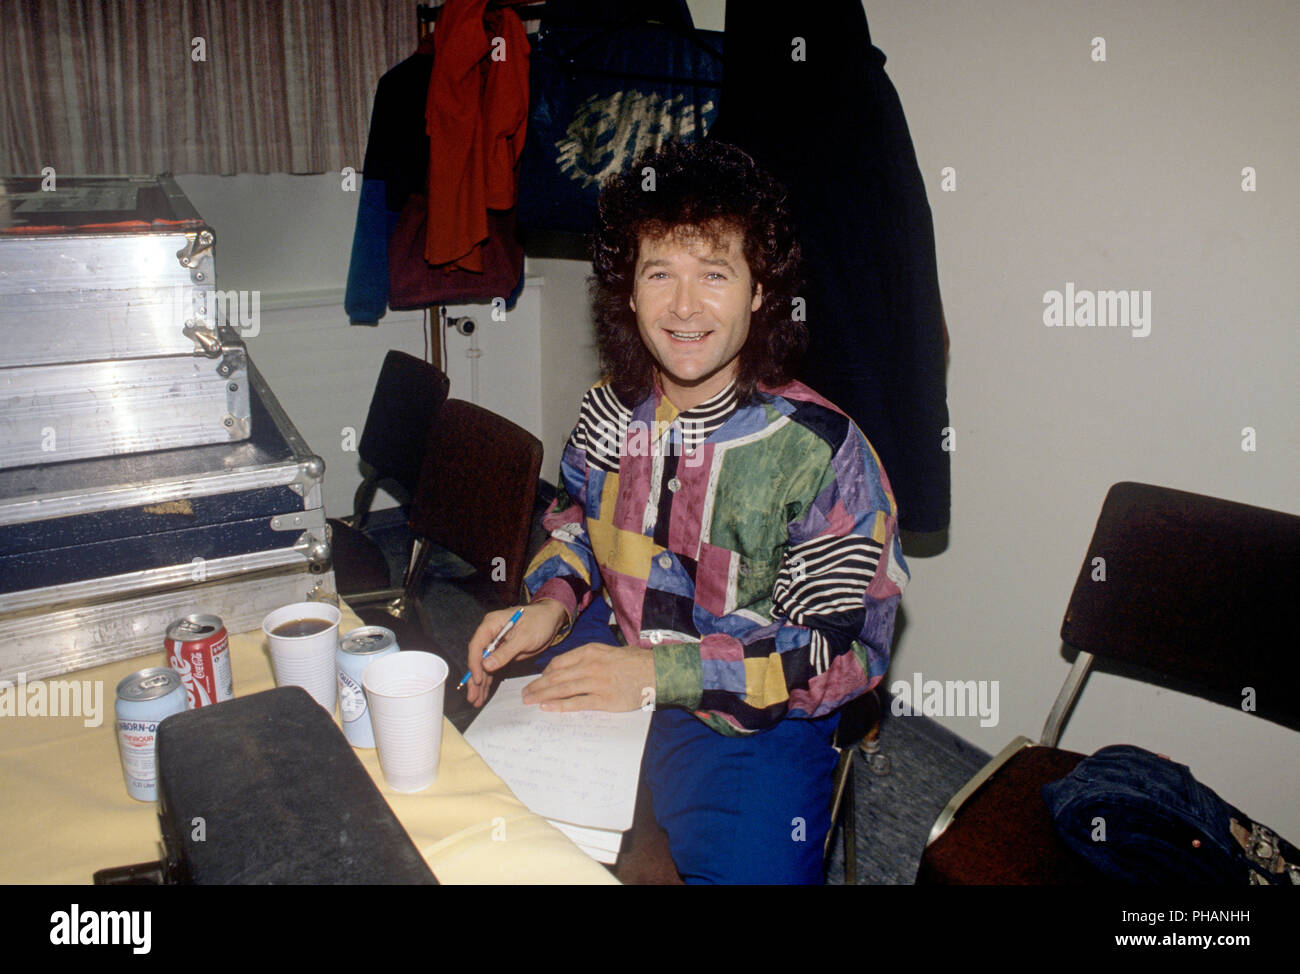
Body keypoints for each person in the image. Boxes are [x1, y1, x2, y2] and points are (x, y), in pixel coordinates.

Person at [465, 138, 908, 884]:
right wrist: (549, 603)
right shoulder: (612, 406)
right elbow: (576, 519)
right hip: (624, 629)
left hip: (754, 715)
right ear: (628, 292)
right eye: (659, 273)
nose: (683, 306)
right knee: (486, 831)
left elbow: (836, 654)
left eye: (714, 274)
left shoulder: (823, 456)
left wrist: (652, 676)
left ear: (760, 290)